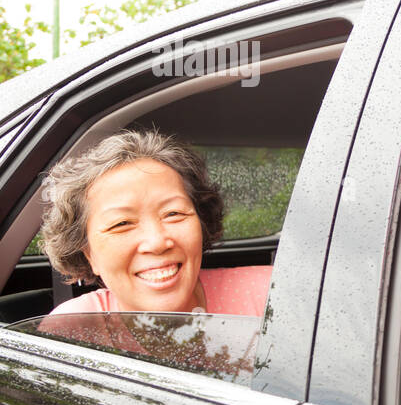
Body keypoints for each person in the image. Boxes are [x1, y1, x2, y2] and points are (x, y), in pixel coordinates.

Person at [40, 129, 271, 317]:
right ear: (89, 254)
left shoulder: (273, 293)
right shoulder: (74, 328)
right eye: (121, 223)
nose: (157, 242)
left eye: (173, 213)